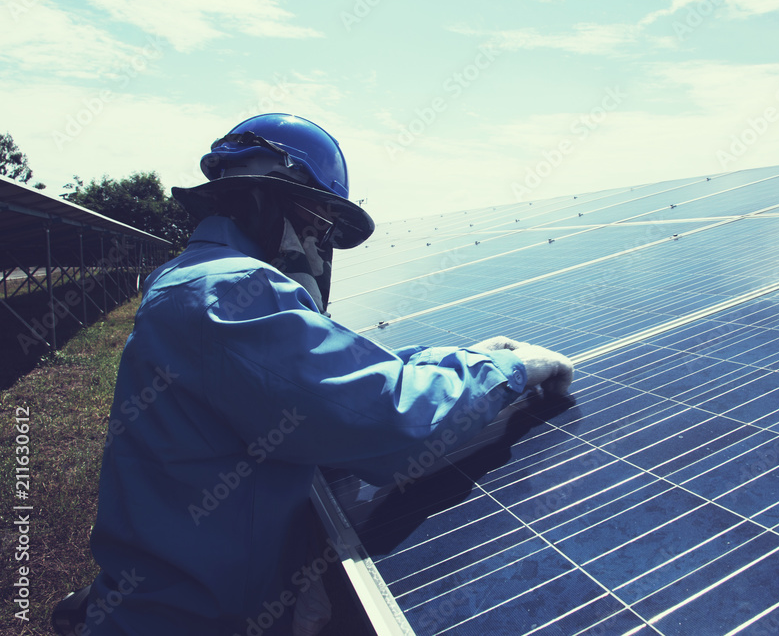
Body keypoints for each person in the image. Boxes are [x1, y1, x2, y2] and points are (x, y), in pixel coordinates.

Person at [71, 113, 574, 635]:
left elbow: (322, 375)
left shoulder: (195, 279)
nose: (322, 243)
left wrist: (446, 357)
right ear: (272, 200)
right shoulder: (229, 293)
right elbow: (385, 420)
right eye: (320, 222)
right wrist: (508, 369)